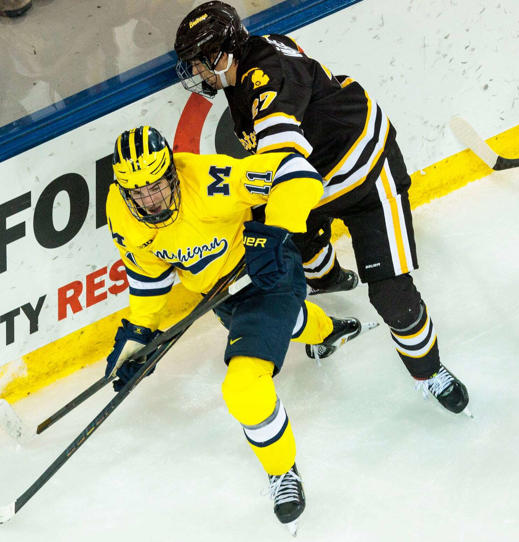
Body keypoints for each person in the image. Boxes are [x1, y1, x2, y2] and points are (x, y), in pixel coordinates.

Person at [173, 1, 469, 415]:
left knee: (392, 297)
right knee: (300, 243)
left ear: (225, 52)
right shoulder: (248, 64)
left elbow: (285, 164)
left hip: (366, 170)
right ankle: (332, 279)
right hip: (314, 176)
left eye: (201, 63)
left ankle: (429, 371)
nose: (197, 74)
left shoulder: (265, 78)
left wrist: (270, 234)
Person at [104, 125, 374, 532]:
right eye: (137, 193)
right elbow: (149, 277)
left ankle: (283, 472)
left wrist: (273, 231)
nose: (150, 201)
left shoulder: (211, 181)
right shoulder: (122, 213)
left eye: (157, 187)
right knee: (286, 325)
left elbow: (297, 171)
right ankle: (327, 331)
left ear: (172, 174)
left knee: (244, 387)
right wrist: (139, 339)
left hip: (265, 270)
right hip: (222, 295)